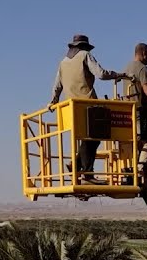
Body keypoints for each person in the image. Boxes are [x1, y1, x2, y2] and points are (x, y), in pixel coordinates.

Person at [48, 34, 127, 183]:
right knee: (95, 137)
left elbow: (57, 86)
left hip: (71, 107)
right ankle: (87, 173)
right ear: (84, 47)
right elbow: (101, 74)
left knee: (87, 138)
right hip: (88, 105)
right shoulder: (85, 55)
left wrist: (52, 102)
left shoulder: (63, 62)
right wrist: (119, 74)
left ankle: (76, 165)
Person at [122, 42, 147, 188]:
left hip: (127, 114)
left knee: (137, 142)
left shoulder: (127, 68)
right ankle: (140, 172)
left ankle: (136, 170)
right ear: (144, 53)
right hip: (139, 112)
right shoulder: (142, 68)